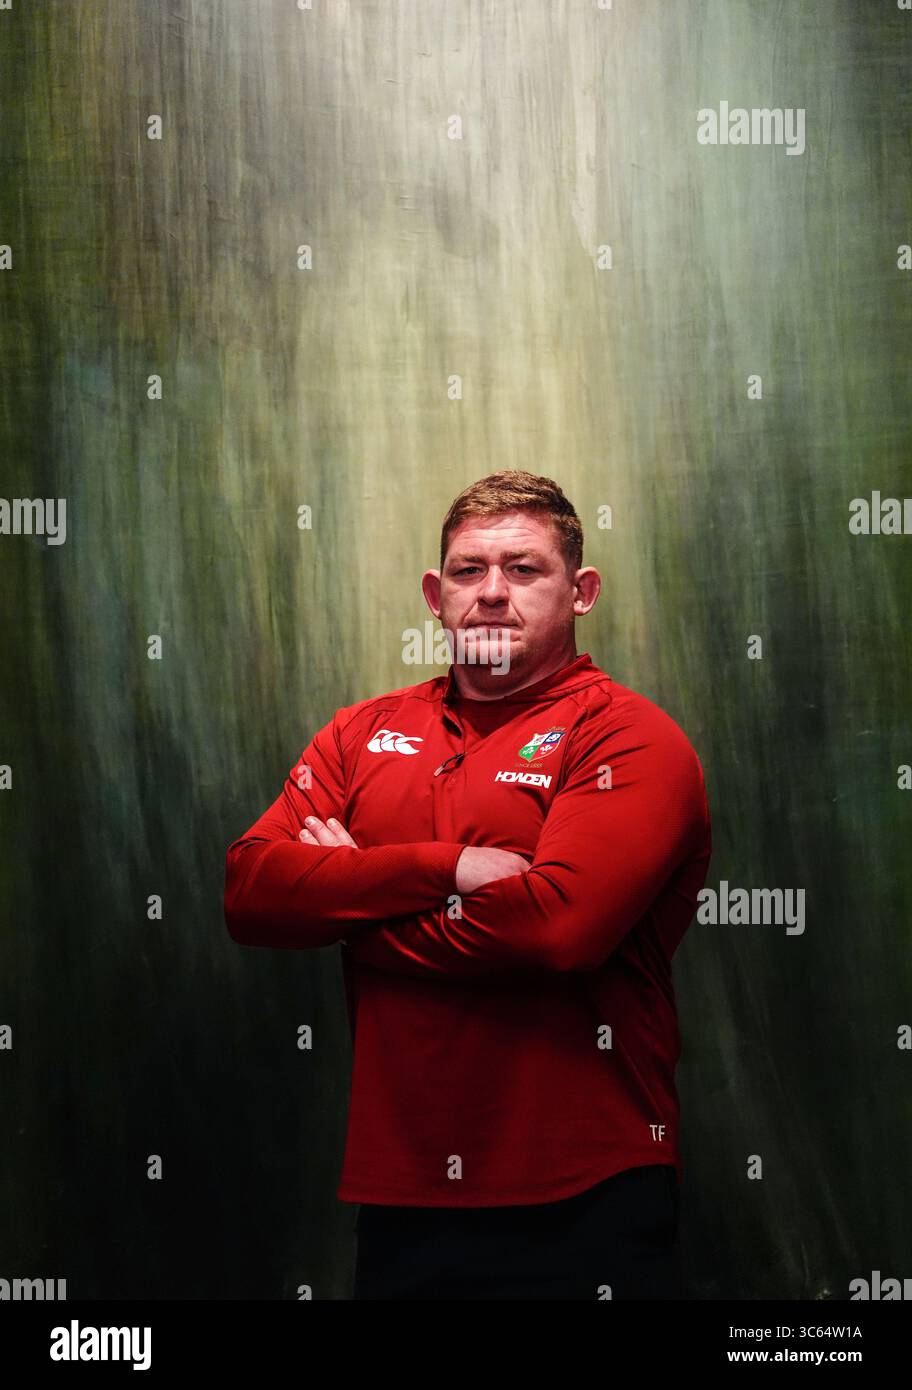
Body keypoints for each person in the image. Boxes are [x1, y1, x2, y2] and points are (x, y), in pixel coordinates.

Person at [224, 469, 712, 1299]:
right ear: (434, 592)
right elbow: (250, 892)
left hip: (589, 1191)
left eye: (524, 570)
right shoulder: (361, 732)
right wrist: (442, 867)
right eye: (468, 570)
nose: (491, 593)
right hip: (401, 1195)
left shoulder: (630, 737)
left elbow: (555, 930)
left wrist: (349, 900)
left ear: (580, 591)